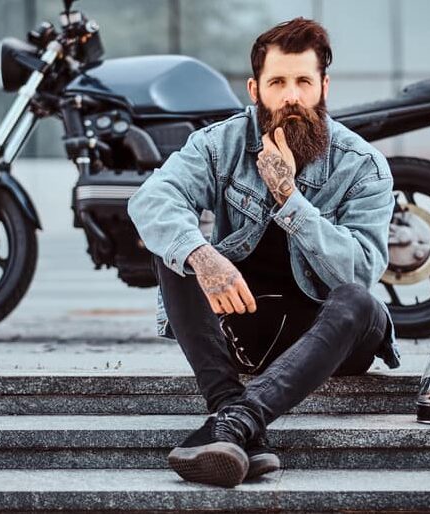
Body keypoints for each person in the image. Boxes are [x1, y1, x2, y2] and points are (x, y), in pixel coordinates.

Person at [127, 17, 400, 488]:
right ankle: (232, 416)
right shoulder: (221, 144)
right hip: (245, 327)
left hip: (333, 335)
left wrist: (290, 200)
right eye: (278, 82)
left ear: (323, 87)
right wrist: (201, 254)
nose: (291, 96)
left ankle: (231, 423)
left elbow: (360, 270)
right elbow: (152, 199)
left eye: (303, 82)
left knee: (358, 300)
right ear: (255, 89)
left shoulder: (363, 166)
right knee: (176, 249)